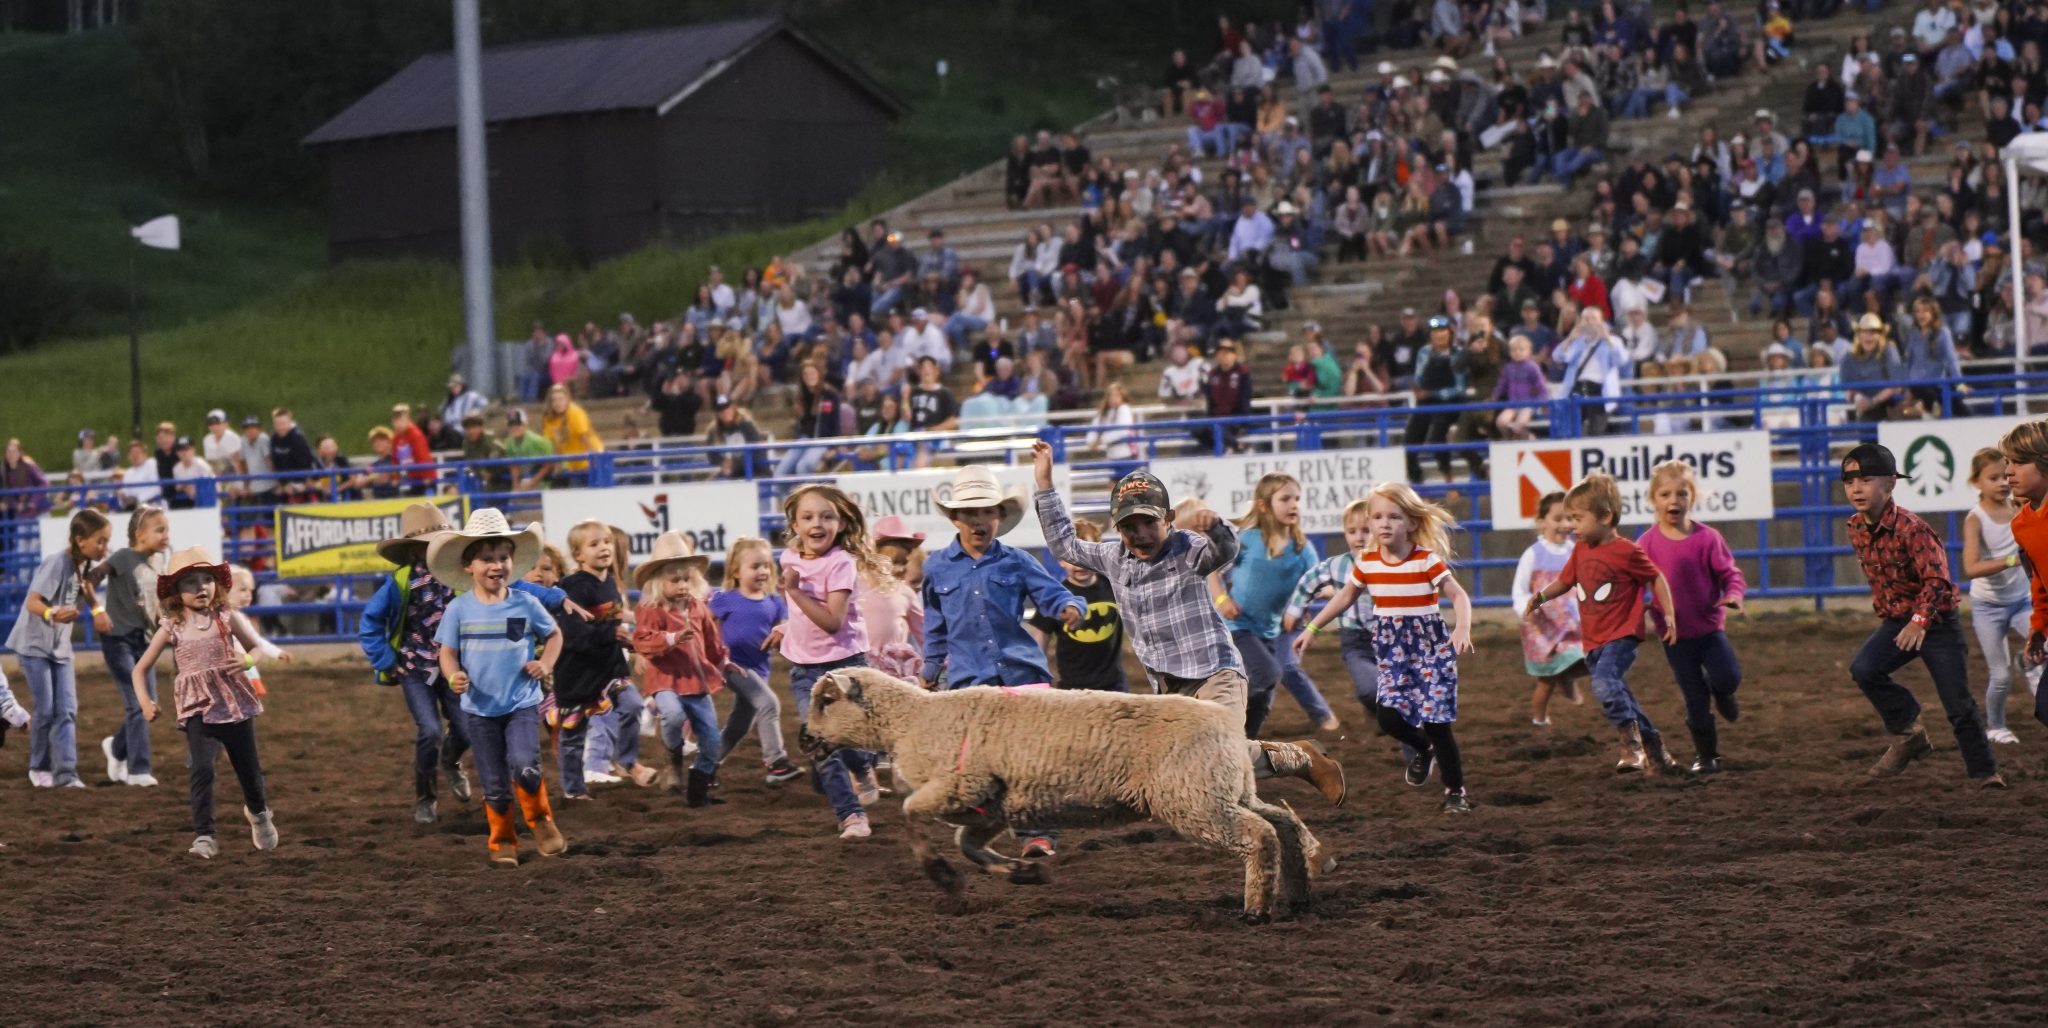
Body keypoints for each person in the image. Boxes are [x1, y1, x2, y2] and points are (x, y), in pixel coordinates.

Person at [1031, 447, 1347, 809]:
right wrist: (1044, 483)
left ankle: (1303, 762)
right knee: (1202, 762)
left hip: (1215, 670)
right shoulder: (1111, 558)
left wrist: (1215, 527)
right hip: (1167, 683)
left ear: (1168, 519)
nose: (1141, 534)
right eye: (1130, 527)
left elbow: (1222, 552)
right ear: (1117, 529)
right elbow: (1064, 543)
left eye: (1149, 522)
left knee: (1219, 752)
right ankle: (1298, 764)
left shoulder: (1189, 547)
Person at [360, 503, 572, 824]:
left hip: (457, 665)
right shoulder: (401, 581)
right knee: (429, 730)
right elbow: (371, 620)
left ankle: (450, 761)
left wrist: (556, 596)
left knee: (464, 727)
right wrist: (387, 659)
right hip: (415, 666)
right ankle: (426, 797)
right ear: (416, 550)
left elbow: (515, 585)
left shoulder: (460, 577)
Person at [1296, 483, 1476, 814]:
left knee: (1437, 723)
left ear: (1411, 522)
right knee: (1389, 717)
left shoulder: (1426, 560)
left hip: (1430, 648)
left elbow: (1458, 594)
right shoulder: (1368, 563)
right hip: (1392, 650)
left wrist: (1462, 627)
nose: (1384, 524)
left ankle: (1455, 792)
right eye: (1377, 517)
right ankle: (1423, 749)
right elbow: (1344, 597)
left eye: (1394, 517)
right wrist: (1312, 626)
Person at [1839, 443, 2002, 785]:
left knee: (1957, 704)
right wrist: (1907, 619)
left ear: (1890, 484)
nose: (1856, 488)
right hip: (1899, 621)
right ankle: (1908, 732)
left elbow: (1939, 579)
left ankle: (1985, 773)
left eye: (1866, 480)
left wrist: (1919, 620)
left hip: (1937, 623)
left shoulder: (1913, 528)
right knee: (1864, 669)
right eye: (1849, 481)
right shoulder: (1855, 527)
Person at [129, 547, 289, 858]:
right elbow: (140, 669)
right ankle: (204, 835)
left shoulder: (226, 617)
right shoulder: (171, 626)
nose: (201, 587)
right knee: (202, 769)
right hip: (197, 707)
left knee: (250, 771)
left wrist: (245, 661)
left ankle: (258, 813)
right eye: (191, 582)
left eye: (206, 580)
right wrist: (145, 703)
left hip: (234, 703)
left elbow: (255, 649)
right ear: (175, 591)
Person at [430, 509, 570, 866]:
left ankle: (540, 820)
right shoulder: (459, 609)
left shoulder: (527, 603)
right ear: (469, 566)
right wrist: (452, 675)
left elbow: (553, 634)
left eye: (503, 557)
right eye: (487, 559)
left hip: (521, 702)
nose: (497, 565)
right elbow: (446, 652)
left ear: (513, 562)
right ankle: (502, 839)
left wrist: (546, 663)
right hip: (479, 709)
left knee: (526, 765)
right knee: (493, 781)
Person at [1524, 473, 1683, 776]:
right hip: (1593, 639)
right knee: (1618, 693)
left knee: (1604, 685)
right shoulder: (1581, 549)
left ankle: (1631, 748)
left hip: (1622, 636)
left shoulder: (1628, 551)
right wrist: (1542, 596)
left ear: (1605, 516)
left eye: (1577, 518)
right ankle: (1655, 747)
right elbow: (1566, 581)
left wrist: (1669, 614)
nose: (1571, 525)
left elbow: (1656, 577)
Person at [778, 484, 888, 840]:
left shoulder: (840, 564)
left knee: (846, 739)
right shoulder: (789, 557)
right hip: (803, 670)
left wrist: (794, 591)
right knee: (821, 741)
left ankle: (864, 766)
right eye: (808, 517)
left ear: (841, 524)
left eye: (827, 516)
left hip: (845, 666)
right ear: (794, 525)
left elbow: (832, 622)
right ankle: (850, 815)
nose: (817, 523)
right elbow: (800, 614)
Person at [920, 465, 1082, 694]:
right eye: (969, 512)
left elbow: (1051, 592)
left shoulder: (1017, 561)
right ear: (955, 518)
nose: (979, 520)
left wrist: (1068, 606)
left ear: (1000, 516)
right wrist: (931, 666)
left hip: (1022, 674)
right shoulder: (936, 567)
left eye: (987, 512)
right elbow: (935, 626)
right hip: (969, 680)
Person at [1638, 460, 1748, 774]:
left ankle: (1723, 692)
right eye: (1665, 494)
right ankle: (1707, 756)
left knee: (1728, 677)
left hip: (1710, 628)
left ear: (1692, 497)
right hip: (1674, 636)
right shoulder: (1645, 544)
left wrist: (1734, 595)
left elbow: (1730, 574)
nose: (1674, 500)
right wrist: (1640, 609)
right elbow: (1634, 584)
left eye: (1681, 493)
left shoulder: (1708, 538)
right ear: (1653, 500)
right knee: (1694, 697)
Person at [1214, 474, 1335, 736]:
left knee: (1264, 700)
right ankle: (1222, 712)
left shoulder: (1303, 548)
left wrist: (1324, 591)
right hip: (1238, 625)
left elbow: (1318, 580)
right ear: (1263, 506)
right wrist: (1222, 599)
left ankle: (1243, 741)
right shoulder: (1246, 540)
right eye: (1285, 499)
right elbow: (1211, 569)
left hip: (1271, 628)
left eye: (1297, 499)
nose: (1294, 505)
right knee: (1268, 675)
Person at [7, 509, 110, 788]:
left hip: (60, 647)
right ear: (80, 540)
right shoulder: (57, 563)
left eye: (106, 541)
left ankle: (66, 773)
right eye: (100, 541)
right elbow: (33, 602)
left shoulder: (84, 565)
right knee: (47, 709)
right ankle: (39, 766)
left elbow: (86, 588)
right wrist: (53, 614)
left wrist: (98, 610)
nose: (104, 547)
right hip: (34, 645)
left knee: (66, 709)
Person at [554, 521, 656, 797]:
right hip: (576, 675)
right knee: (573, 737)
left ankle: (627, 760)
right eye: (594, 543)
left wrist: (628, 642)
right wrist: (612, 634)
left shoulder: (610, 583)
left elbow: (611, 627)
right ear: (578, 555)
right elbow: (574, 635)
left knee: (633, 704)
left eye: (607, 542)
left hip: (609, 669)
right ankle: (574, 790)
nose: (604, 548)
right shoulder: (572, 588)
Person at [631, 532, 731, 807]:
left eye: (687, 579)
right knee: (673, 716)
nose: (683, 585)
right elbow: (641, 640)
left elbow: (712, 640)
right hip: (665, 679)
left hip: (697, 681)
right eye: (675, 580)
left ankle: (698, 792)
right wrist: (672, 639)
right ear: (657, 582)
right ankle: (672, 758)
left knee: (712, 741)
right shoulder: (651, 610)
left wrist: (723, 661)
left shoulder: (698, 608)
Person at [709, 537, 804, 785]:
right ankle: (776, 762)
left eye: (765, 566)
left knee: (739, 725)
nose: (762, 571)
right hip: (732, 665)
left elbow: (783, 629)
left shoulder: (774, 602)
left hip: (759, 670)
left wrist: (785, 632)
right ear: (736, 572)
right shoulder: (725, 599)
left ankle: (705, 765)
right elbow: (702, 623)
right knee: (768, 702)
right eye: (754, 566)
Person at [90, 504, 171, 786]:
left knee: (149, 704)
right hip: (118, 640)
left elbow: (155, 605)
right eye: (159, 530)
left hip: (144, 641)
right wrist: (97, 611)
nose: (165, 535)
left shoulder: (157, 563)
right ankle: (138, 770)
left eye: (166, 530)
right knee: (140, 703)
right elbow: (92, 577)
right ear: (139, 533)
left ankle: (116, 748)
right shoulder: (124, 557)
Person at [1959, 449, 2033, 745]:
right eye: (1993, 478)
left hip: (2022, 600)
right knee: (2000, 675)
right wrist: (2012, 561)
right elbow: (1971, 568)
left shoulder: (2019, 507)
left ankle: (2027, 660)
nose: (2002, 482)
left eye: (2005, 475)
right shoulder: (1975, 519)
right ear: (1976, 483)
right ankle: (1996, 726)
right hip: (1988, 606)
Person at [1510, 492, 1586, 728]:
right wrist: (1526, 610)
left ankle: (1568, 676)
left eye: (1569, 519)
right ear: (1542, 522)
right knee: (1546, 680)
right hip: (1541, 628)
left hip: (1569, 625)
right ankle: (1540, 719)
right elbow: (1519, 590)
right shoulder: (1533, 554)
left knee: (1583, 657)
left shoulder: (1574, 551)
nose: (1564, 525)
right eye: (1557, 519)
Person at [1028, 517, 1128, 692]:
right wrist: (1038, 680)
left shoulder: (1115, 587)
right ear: (1061, 559)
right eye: (1071, 557)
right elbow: (1039, 641)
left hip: (1114, 686)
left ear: (1098, 555)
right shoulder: (1056, 595)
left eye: (1085, 555)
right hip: (1072, 689)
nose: (1079, 563)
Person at [859, 516, 927, 682]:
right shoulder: (855, 585)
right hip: (859, 665)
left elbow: (924, 633)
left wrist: (941, 661)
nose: (899, 569)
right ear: (872, 556)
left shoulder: (905, 593)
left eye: (903, 562)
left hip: (894, 671)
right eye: (893, 561)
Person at [541, 384, 604, 478]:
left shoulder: (575, 413)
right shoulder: (548, 418)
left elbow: (584, 438)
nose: (558, 403)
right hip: (573, 462)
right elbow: (555, 444)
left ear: (567, 399)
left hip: (590, 457)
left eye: (561, 399)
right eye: (554, 400)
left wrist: (595, 461)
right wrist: (557, 465)